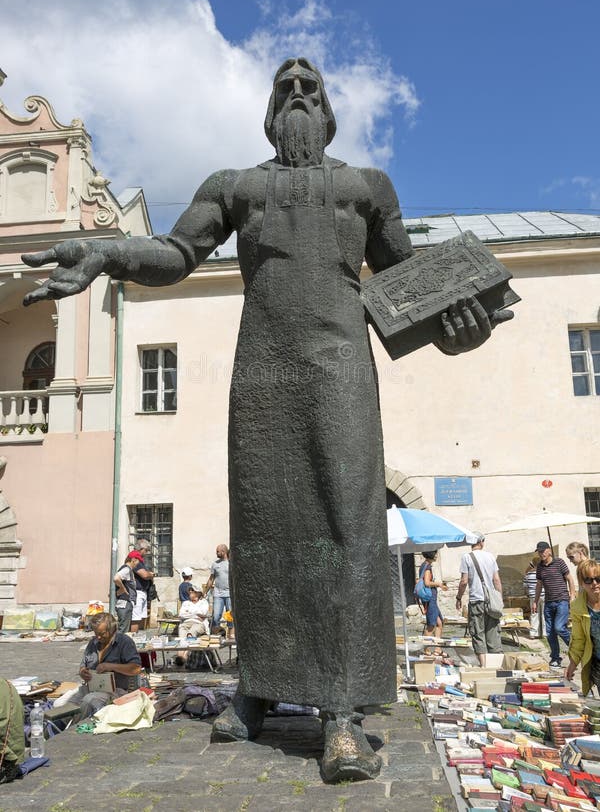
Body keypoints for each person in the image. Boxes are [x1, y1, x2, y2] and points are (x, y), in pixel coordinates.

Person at [21, 58, 512, 782]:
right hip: (262, 367)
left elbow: (412, 290)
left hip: (341, 363)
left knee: (346, 522)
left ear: (330, 108)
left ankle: (341, 714)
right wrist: (103, 252)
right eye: (287, 86)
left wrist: (463, 327)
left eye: (312, 86)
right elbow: (175, 253)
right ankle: (258, 686)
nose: (300, 92)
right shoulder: (235, 185)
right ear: (269, 109)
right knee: (261, 524)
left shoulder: (366, 186)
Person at [73, 613, 142, 720]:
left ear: (112, 630)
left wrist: (111, 666)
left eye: (102, 634)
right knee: (61, 705)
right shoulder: (93, 643)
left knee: (88, 701)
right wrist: (83, 672)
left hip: (117, 691)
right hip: (91, 688)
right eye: (96, 633)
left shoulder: (124, 642)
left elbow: (136, 668)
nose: (98, 637)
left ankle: (73, 730)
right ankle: (55, 732)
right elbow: (83, 666)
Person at [456, 534, 503, 666]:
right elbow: (497, 580)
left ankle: (484, 665)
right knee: (493, 631)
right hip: (491, 601)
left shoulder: (467, 557)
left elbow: (464, 581)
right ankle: (496, 665)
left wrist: (459, 597)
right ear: (481, 542)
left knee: (478, 632)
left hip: (476, 599)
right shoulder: (490, 556)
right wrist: (500, 599)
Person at [532, 540, 577, 668]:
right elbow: (539, 585)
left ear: (549, 550)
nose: (541, 554)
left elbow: (569, 578)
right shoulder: (540, 566)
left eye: (542, 551)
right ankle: (555, 658)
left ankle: (578, 650)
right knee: (550, 632)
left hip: (562, 600)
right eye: (539, 552)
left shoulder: (559, 562)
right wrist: (535, 601)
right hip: (548, 602)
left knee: (559, 627)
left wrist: (572, 595)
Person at [566, 558, 600, 695]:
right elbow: (579, 639)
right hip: (597, 663)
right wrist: (572, 665)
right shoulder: (578, 607)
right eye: (589, 580)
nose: (595, 583)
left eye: (598, 578)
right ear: (581, 582)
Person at [175, 586, 211, 666]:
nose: (190, 592)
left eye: (192, 591)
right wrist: (195, 614)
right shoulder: (186, 603)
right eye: (190, 591)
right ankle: (180, 657)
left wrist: (189, 613)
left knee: (191, 633)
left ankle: (185, 657)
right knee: (182, 636)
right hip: (186, 623)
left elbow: (203, 613)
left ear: (198, 594)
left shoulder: (203, 602)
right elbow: (181, 615)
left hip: (198, 623)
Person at [418, 551, 448, 639]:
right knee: (431, 625)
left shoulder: (424, 565)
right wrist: (438, 584)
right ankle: (425, 649)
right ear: (431, 554)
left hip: (431, 599)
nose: (436, 555)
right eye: (435, 553)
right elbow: (427, 583)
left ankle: (437, 649)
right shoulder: (427, 567)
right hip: (430, 599)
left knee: (439, 623)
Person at [113, 551, 141, 633]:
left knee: (124, 628)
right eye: (137, 562)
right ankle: (118, 645)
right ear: (133, 560)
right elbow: (116, 578)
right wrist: (123, 588)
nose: (137, 564)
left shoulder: (128, 570)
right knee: (123, 630)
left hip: (125, 603)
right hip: (124, 603)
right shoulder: (126, 569)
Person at [131, 539, 155, 633]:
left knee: (141, 617)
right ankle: (133, 639)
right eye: (146, 550)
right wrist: (151, 575)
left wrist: (148, 574)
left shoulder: (140, 560)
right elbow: (144, 575)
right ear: (141, 549)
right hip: (137, 591)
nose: (147, 552)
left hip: (143, 592)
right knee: (135, 618)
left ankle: (137, 638)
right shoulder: (134, 559)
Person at [206, 544, 232, 635]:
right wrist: (205, 592)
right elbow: (211, 579)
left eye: (218, 551)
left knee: (230, 616)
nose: (216, 553)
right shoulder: (215, 564)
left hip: (229, 593)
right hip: (218, 594)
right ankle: (217, 634)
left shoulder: (231, 563)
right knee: (216, 616)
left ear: (223, 552)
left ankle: (230, 635)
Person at [523, 555, 545, 638]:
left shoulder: (528, 574)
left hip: (533, 596)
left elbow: (525, 587)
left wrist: (527, 594)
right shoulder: (544, 573)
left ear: (532, 564)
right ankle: (544, 633)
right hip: (543, 595)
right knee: (544, 613)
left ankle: (533, 633)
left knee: (534, 614)